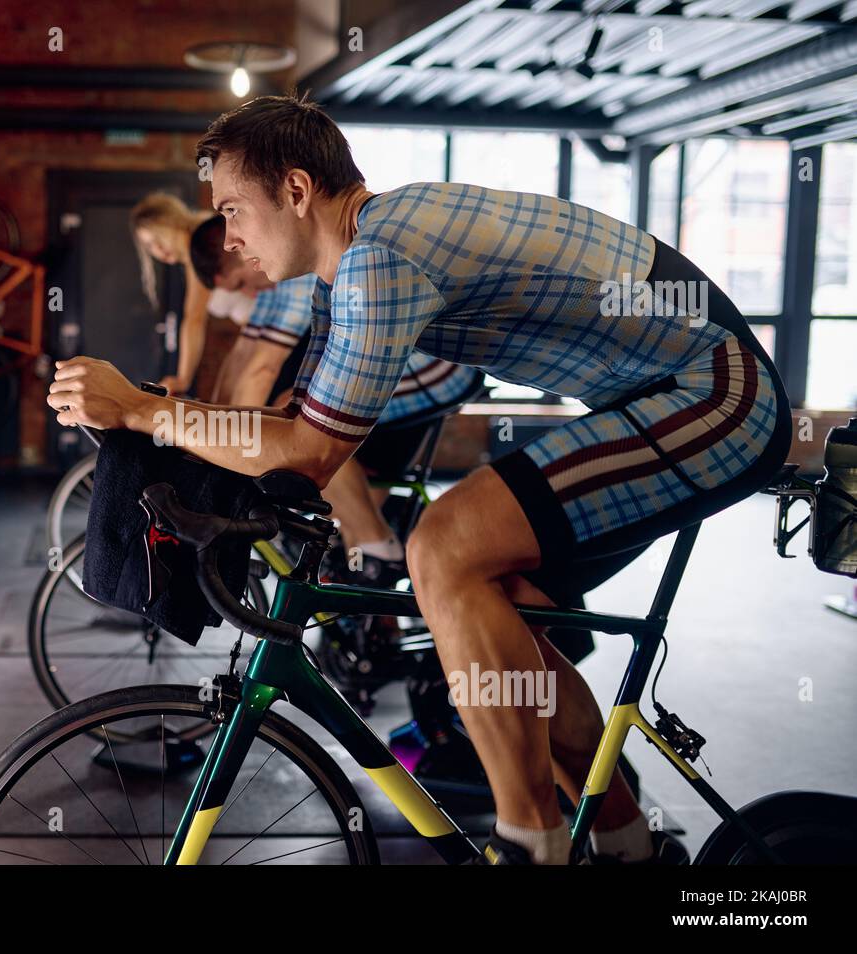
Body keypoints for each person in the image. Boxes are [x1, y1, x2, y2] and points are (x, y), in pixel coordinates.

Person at [50, 95, 790, 865]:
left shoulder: (382, 256)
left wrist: (142, 411)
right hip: (661, 390)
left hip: (716, 392)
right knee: (507, 610)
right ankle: (629, 846)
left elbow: (307, 453)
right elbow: (284, 429)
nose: (228, 240)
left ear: (298, 192)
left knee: (444, 545)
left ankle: (532, 846)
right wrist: (158, 412)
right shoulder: (351, 268)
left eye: (234, 210)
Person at [189, 213, 483, 578]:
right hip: (396, 362)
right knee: (296, 421)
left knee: (299, 419)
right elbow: (242, 358)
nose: (246, 294)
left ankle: (378, 549)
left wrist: (230, 447)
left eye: (238, 284)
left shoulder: (286, 272)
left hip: (439, 367)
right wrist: (218, 423)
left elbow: (261, 368)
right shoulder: (264, 279)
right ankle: (365, 594)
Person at [129, 192, 215, 396]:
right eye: (149, 245)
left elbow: (195, 317)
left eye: (158, 237)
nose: (158, 249)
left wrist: (183, 379)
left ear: (172, 221)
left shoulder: (200, 243)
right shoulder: (194, 248)